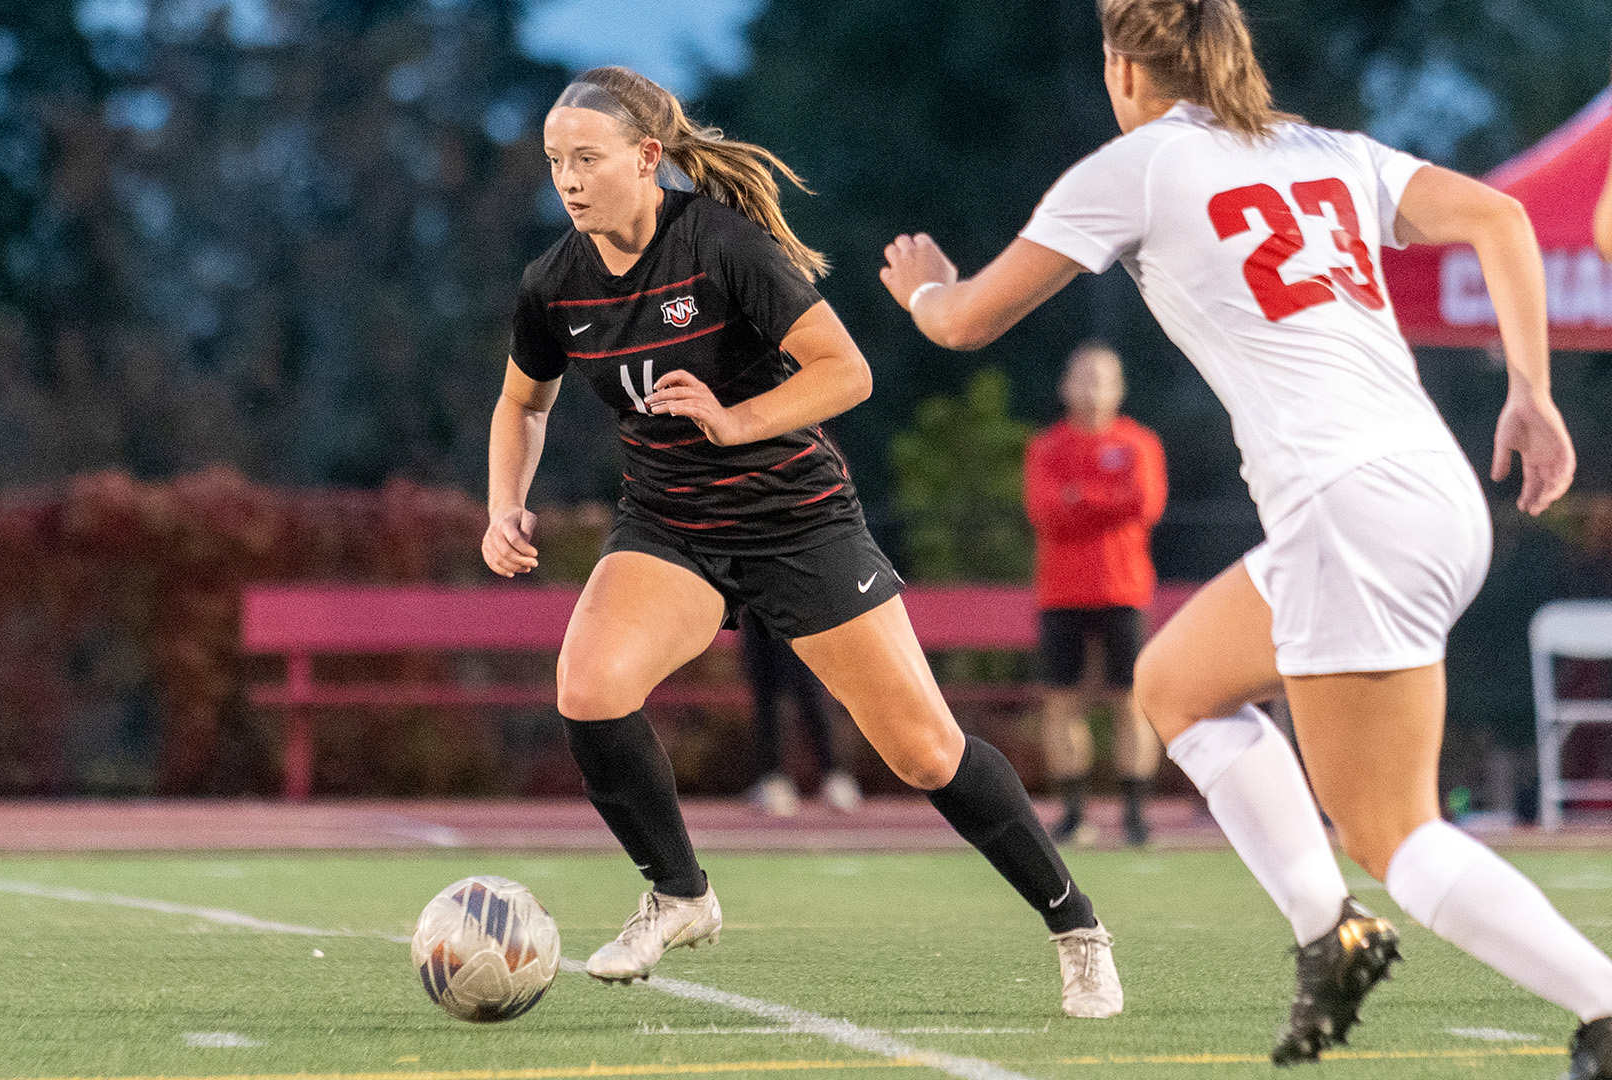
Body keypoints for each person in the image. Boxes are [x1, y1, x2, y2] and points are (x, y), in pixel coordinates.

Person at [878, 0, 1612, 1072]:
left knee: (1393, 831)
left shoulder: (1134, 167)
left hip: (1348, 510)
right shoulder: (1328, 149)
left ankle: (1600, 1003)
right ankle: (1331, 934)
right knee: (1174, 684)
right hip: (1428, 493)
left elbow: (965, 321)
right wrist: (1531, 394)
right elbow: (1500, 218)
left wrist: (924, 287)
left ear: (1126, 67)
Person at [485, 65, 1122, 1018]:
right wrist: (504, 504)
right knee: (589, 686)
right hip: (670, 526)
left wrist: (736, 422)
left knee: (923, 752)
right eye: (553, 162)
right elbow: (521, 403)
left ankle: (1078, 929)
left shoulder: (721, 245)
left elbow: (847, 372)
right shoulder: (557, 282)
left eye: (587, 158)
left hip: (796, 521)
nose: (567, 180)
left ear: (648, 159)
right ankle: (681, 894)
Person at [1025, 342, 1166, 846]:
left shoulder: (1140, 443)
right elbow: (1044, 510)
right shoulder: (1046, 447)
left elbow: (1144, 504)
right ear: (1065, 385)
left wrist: (1079, 497)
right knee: (1061, 703)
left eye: (1103, 378)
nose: (1092, 388)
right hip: (1061, 593)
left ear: (1120, 387)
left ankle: (1134, 814)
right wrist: (1106, 499)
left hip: (1123, 589)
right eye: (1083, 377)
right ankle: (1073, 812)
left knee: (1131, 701)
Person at [741, 622, 862, 816]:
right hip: (757, 616)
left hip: (796, 616)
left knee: (809, 693)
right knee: (767, 698)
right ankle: (773, 779)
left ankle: (835, 777)